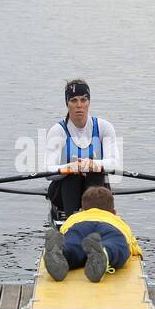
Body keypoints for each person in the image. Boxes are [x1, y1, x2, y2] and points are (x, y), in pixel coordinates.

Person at [45, 79, 120, 223]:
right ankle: (72, 219)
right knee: (73, 174)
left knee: (95, 171)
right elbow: (48, 172)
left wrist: (90, 164)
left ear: (89, 102)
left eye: (83, 100)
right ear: (67, 104)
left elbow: (115, 164)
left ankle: (97, 219)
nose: (79, 105)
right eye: (73, 100)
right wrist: (71, 167)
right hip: (63, 192)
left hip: (95, 187)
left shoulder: (104, 127)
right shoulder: (58, 131)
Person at [42, 186, 143, 283]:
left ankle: (62, 254)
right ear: (114, 212)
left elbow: (64, 233)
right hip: (109, 226)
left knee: (72, 245)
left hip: (79, 226)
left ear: (82, 210)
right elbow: (132, 245)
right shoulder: (117, 220)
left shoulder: (74, 217)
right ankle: (105, 253)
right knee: (116, 246)